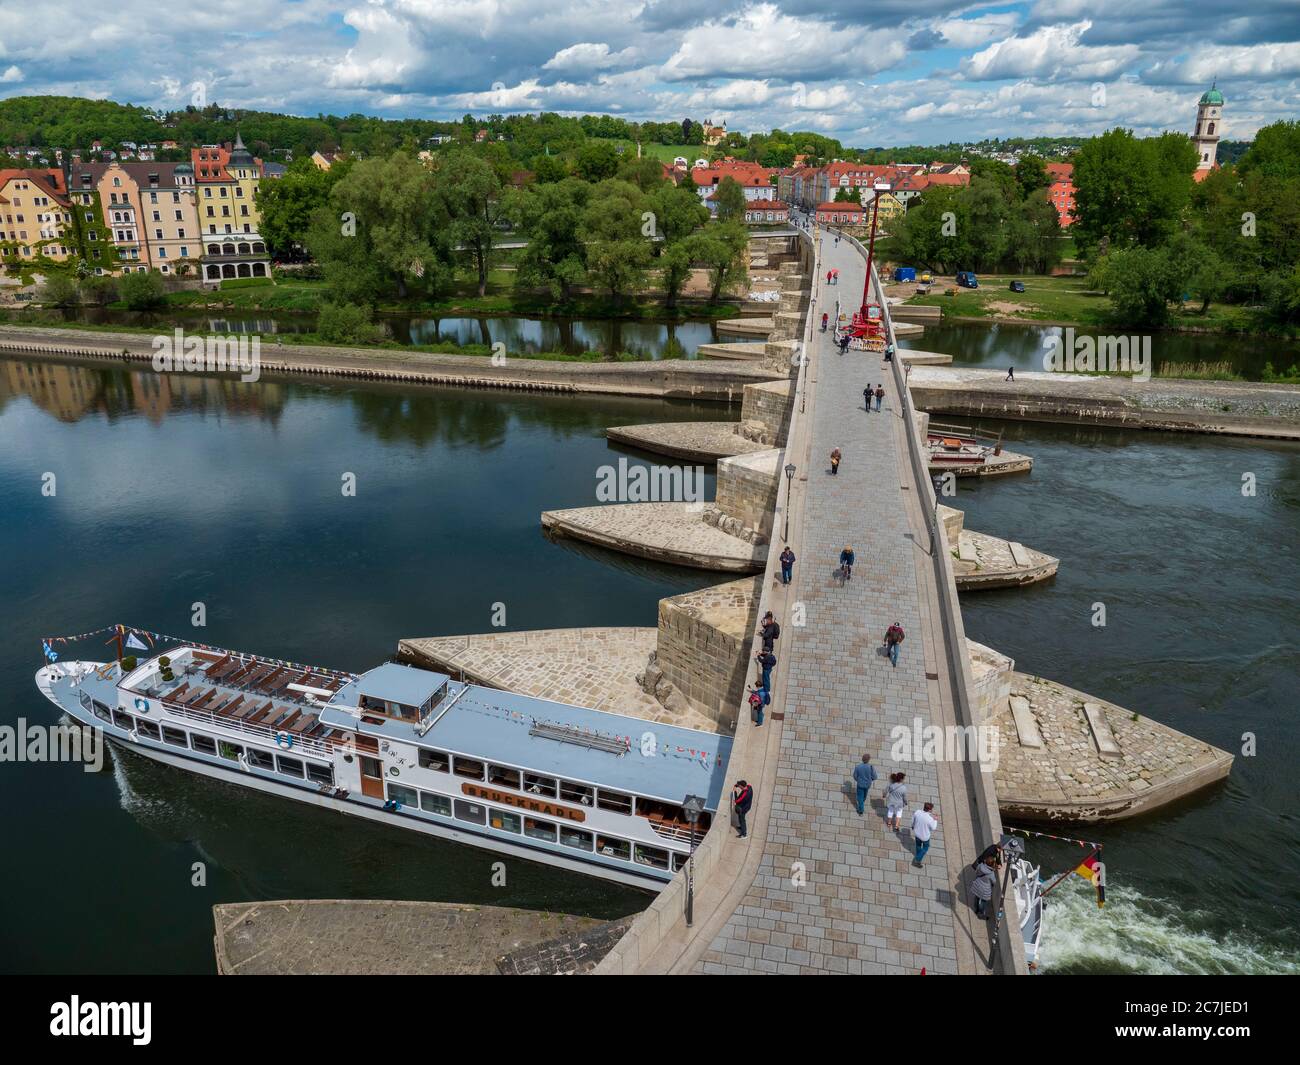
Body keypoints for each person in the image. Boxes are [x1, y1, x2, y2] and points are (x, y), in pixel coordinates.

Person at [970, 854, 998, 919]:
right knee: (983, 901)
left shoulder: (980, 866)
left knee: (976, 897)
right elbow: (994, 881)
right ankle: (981, 914)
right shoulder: (991, 873)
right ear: (992, 864)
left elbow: (976, 872)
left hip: (978, 884)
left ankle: (976, 910)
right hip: (985, 889)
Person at [911, 802, 938, 866]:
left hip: (917, 834)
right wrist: (935, 820)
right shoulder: (930, 819)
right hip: (925, 837)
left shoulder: (917, 812)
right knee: (925, 847)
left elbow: (913, 820)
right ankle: (917, 859)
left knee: (918, 845)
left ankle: (918, 855)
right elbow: (933, 828)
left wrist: (912, 826)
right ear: (930, 810)